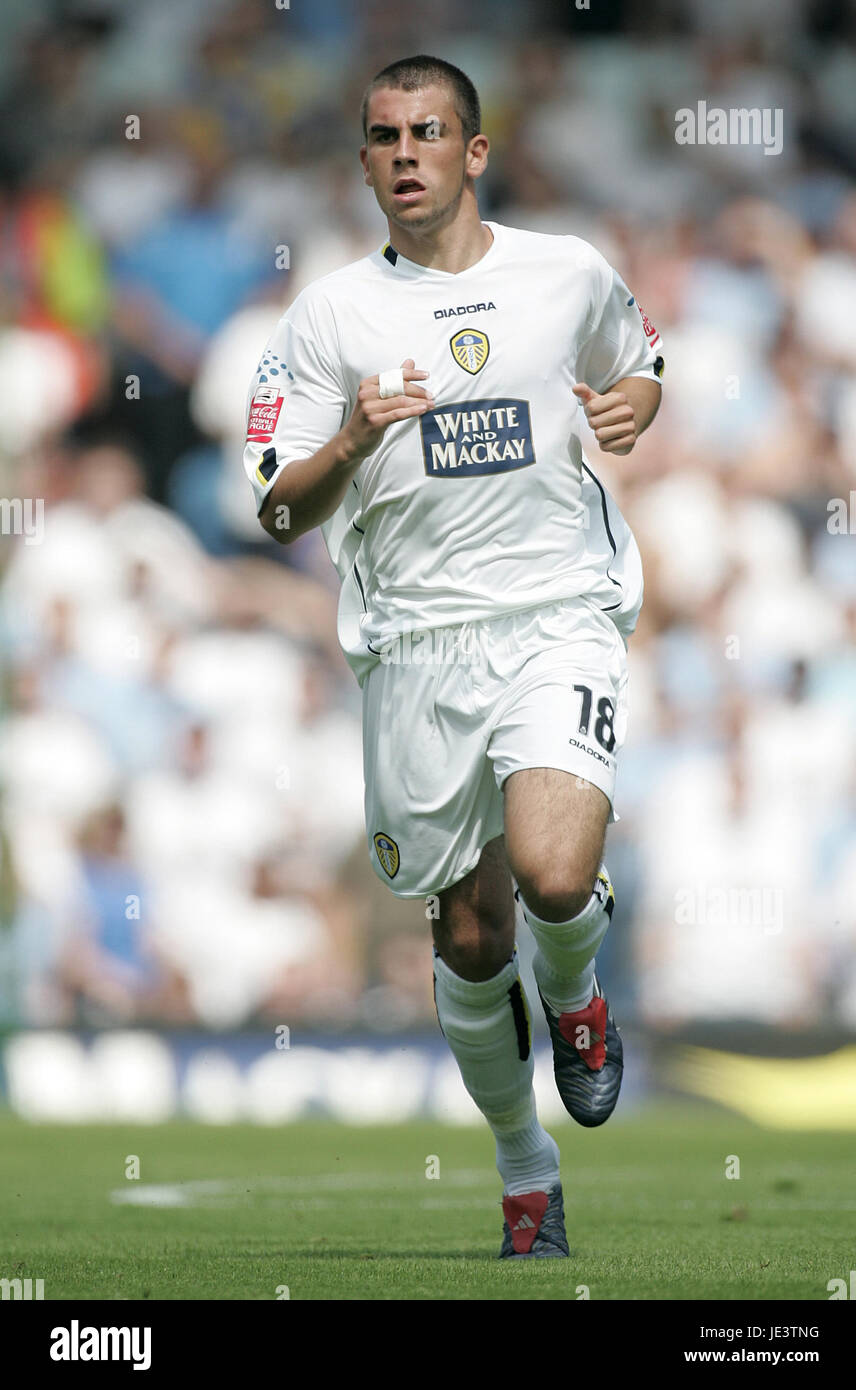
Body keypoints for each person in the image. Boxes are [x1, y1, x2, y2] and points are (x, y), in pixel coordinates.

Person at [242, 55, 663, 1259]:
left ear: (474, 151)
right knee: (471, 940)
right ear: (365, 157)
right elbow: (276, 509)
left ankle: (577, 993)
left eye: (430, 132)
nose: (407, 152)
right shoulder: (326, 317)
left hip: (555, 613)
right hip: (415, 649)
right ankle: (523, 1165)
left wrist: (637, 397)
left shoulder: (564, 269)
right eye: (384, 136)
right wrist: (350, 436)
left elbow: (640, 354)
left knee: (548, 873)